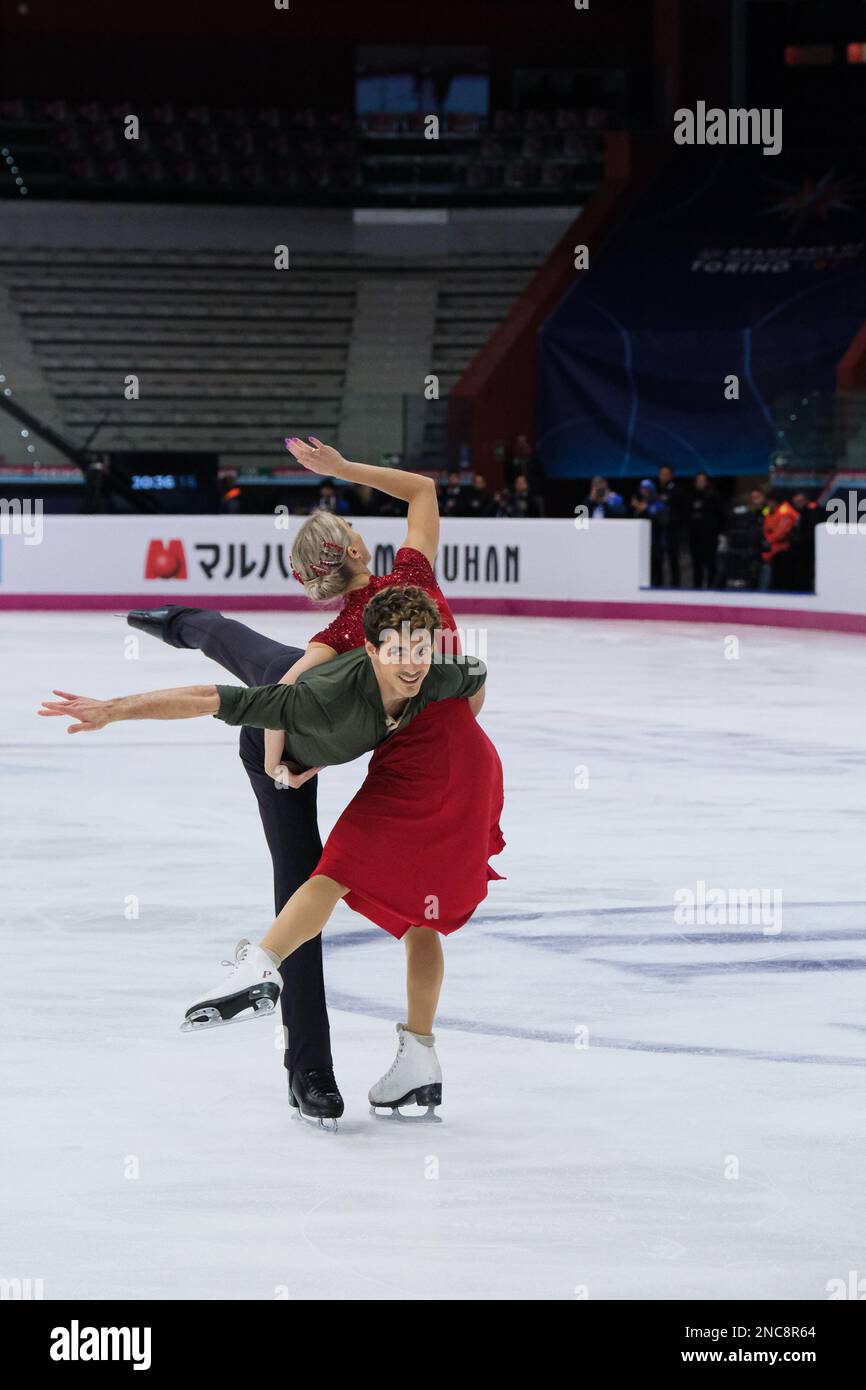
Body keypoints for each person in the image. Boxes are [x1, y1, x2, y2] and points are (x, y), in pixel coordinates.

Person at [40, 585, 503, 1123]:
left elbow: (474, 677)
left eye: (421, 651)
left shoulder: (434, 672)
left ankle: (180, 620)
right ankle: (297, 1045)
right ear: (372, 649)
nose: (412, 665)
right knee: (306, 877)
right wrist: (114, 710)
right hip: (276, 754)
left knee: (237, 642)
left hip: (308, 691)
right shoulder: (319, 698)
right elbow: (212, 699)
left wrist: (415, 734)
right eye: (398, 651)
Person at [688, 472, 724, 588]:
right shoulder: (691, 496)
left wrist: (720, 533)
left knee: (711, 564)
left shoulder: (713, 496)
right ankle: (696, 587)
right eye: (698, 481)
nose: (700, 483)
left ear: (707, 482)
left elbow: (721, 516)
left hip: (710, 536)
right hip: (695, 537)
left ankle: (711, 587)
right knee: (696, 564)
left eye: (702, 481)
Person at [654, 465, 687, 587]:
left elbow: (682, 511)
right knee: (657, 558)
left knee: (673, 558)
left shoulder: (677, 490)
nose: (663, 476)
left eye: (666, 474)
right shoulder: (656, 490)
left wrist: (675, 523)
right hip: (659, 529)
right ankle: (657, 584)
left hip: (672, 530)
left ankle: (675, 585)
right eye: (662, 474)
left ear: (671, 476)